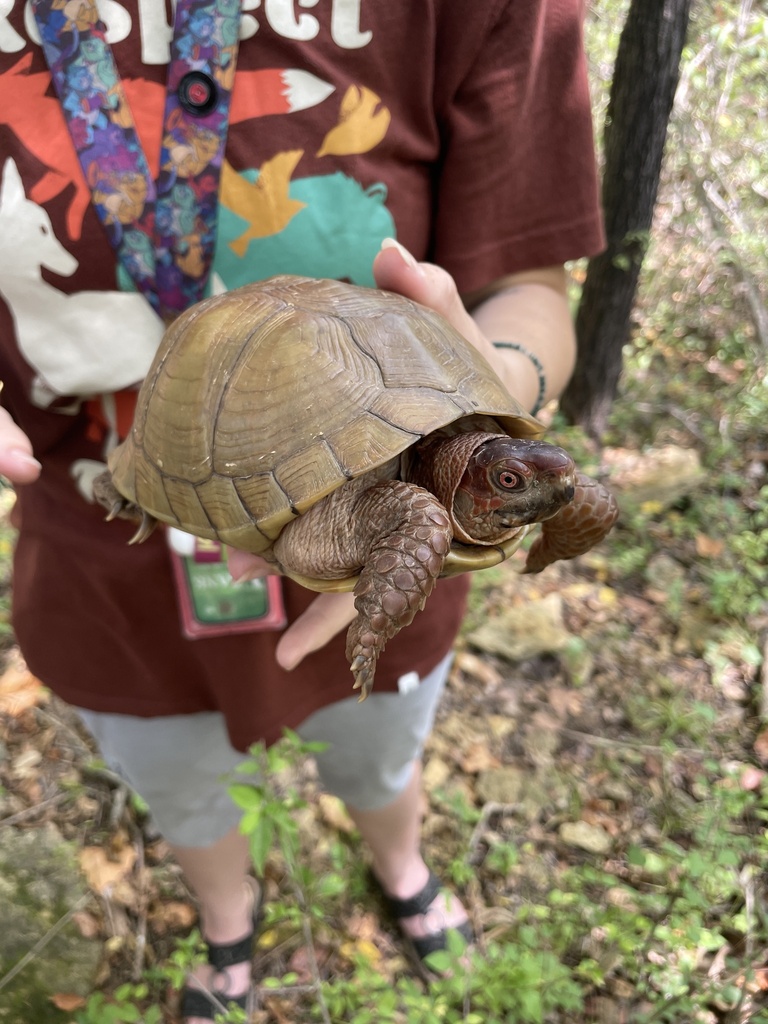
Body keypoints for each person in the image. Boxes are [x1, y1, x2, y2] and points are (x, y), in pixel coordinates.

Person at [0, 0, 605, 1018]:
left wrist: (511, 376)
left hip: (386, 516)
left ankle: (403, 867)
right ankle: (227, 921)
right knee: (180, 775)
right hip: (106, 534)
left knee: (380, 751)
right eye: (505, 483)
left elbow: (529, 287)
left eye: (509, 482)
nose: (527, 493)